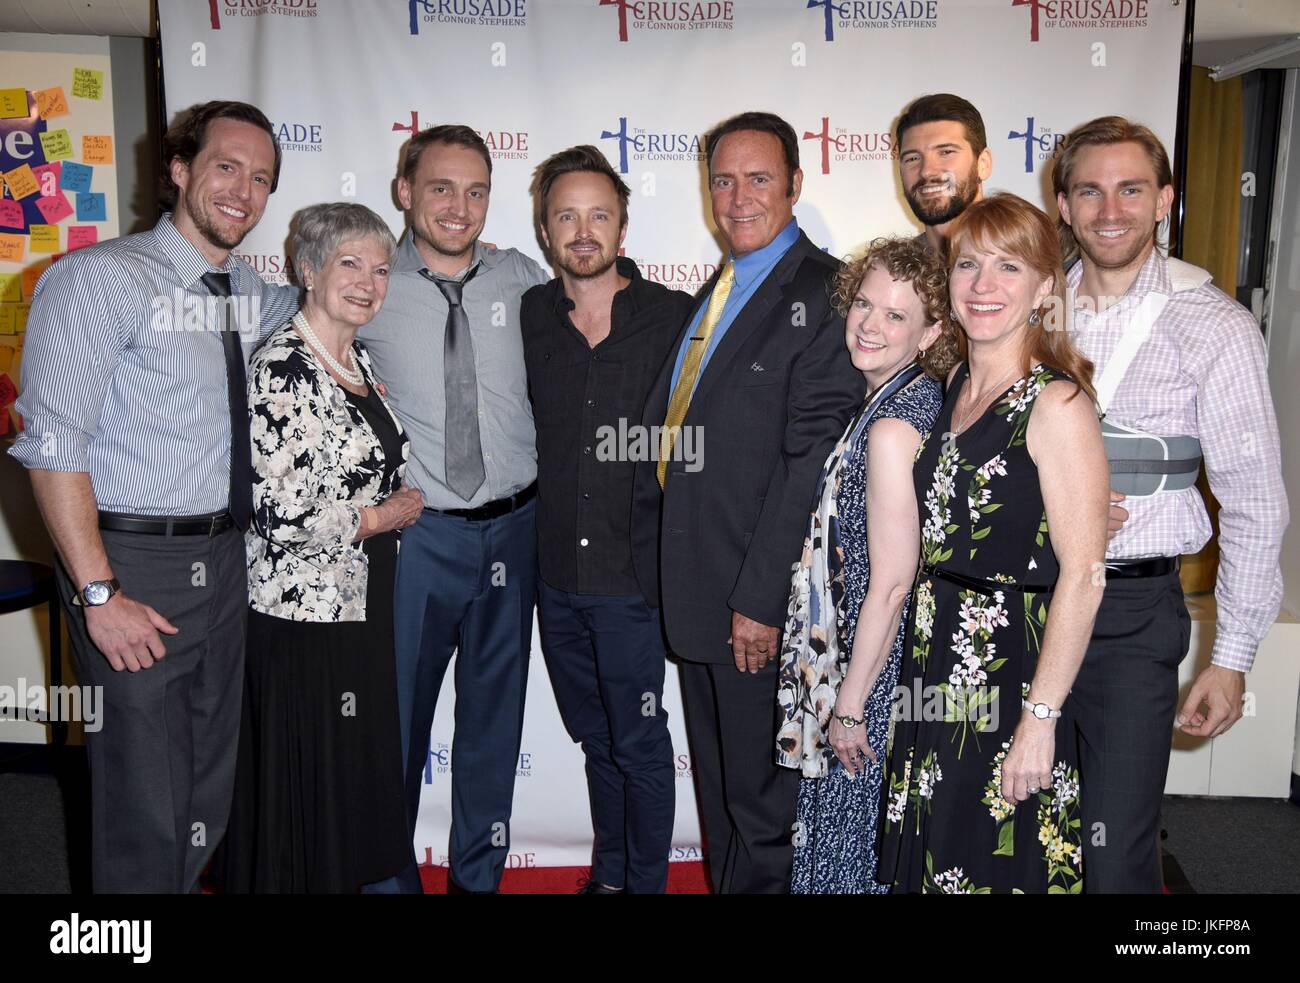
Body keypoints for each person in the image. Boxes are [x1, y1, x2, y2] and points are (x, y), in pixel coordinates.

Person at [8, 101, 299, 892]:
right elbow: (54, 446)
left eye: (262, 177)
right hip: (130, 560)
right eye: (227, 167)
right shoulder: (98, 279)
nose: (244, 190)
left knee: (206, 781)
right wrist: (99, 591)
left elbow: (337, 306)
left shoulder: (249, 289)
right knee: (141, 800)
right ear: (178, 168)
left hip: (225, 559)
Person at [630, 111, 866, 894]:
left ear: (796, 185)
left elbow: (810, 464)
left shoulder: (825, 291)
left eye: (758, 178)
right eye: (722, 180)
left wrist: (760, 601)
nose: (736, 198)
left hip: (755, 607)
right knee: (726, 798)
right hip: (698, 591)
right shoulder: (723, 285)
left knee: (763, 812)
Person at [1053, 117, 1288, 893]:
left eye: (1131, 189)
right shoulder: (1027, 309)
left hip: (1129, 614)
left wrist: (1232, 658)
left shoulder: (1214, 324)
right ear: (1062, 203)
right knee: (1021, 830)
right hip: (1024, 602)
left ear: (1164, 201)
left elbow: (1254, 500)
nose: (1109, 208)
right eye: (1089, 189)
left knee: (1114, 851)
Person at [877, 193, 1109, 894]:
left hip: (1009, 677)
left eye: (1009, 267)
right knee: (938, 855)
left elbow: (1086, 573)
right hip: (935, 660)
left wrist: (1039, 720)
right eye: (969, 264)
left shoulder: (1055, 404)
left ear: (1044, 288)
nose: (983, 285)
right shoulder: (954, 386)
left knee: (997, 862)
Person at [358, 125, 548, 894]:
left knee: (492, 728)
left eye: (475, 191)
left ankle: (479, 881)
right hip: (418, 539)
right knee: (394, 726)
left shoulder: (522, 279)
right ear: (404, 191)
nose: (458, 206)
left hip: (517, 528)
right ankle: (385, 880)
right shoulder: (367, 285)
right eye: (440, 187)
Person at [217, 203, 421, 893]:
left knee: (340, 785)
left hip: (356, 604)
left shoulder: (352, 356)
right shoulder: (285, 366)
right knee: (309, 791)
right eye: (350, 263)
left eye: (381, 267)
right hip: (303, 620)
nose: (368, 281)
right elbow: (284, 514)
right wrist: (387, 513)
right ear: (308, 269)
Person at [522, 146, 693, 894]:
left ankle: (644, 884)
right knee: (596, 739)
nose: (582, 230)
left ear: (623, 227)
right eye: (567, 215)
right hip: (554, 577)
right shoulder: (529, 312)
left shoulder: (672, 319)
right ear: (544, 227)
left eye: (598, 215)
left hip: (632, 581)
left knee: (642, 745)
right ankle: (612, 876)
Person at [776, 237, 954, 894]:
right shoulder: (905, 399)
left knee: (854, 848)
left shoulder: (893, 425)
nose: (871, 324)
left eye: (897, 316)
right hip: (880, 663)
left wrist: (848, 702)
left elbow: (894, 579)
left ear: (931, 330)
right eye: (865, 304)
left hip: (872, 674)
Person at [896, 93, 991, 255]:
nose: (926, 171)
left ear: (983, 164)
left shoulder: (1035, 262)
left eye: (946, 152)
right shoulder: (890, 274)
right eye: (913, 158)